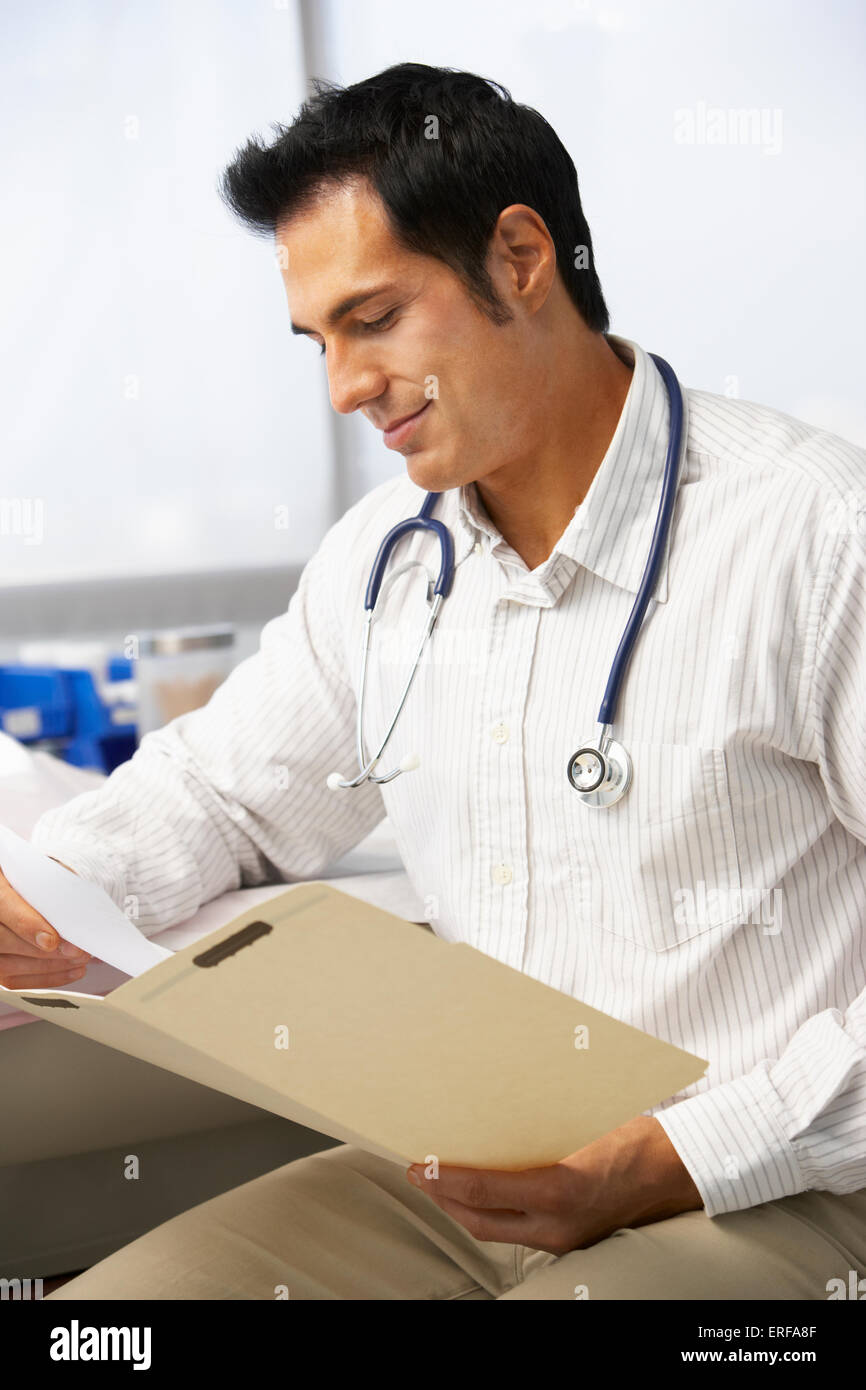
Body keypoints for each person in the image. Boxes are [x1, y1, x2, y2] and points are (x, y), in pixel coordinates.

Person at [5, 62, 865, 1300]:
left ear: (520, 257)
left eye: (373, 318)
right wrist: (52, 891)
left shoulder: (813, 535)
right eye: (318, 341)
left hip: (768, 1184)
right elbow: (229, 794)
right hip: (462, 1178)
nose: (346, 387)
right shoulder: (384, 564)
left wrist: (668, 1154)